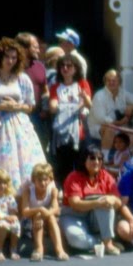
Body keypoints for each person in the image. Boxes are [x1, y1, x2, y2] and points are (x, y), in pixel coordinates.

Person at [0, 38, 47, 190]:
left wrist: (15, 106)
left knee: (26, 163)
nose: (10, 60)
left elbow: (30, 106)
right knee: (0, 165)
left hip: (21, 127)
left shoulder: (23, 78)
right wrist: (0, 106)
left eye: (14, 57)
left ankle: (24, 200)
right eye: (7, 56)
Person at [60, 145, 122, 255]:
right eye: (92, 158)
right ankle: (99, 242)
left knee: (106, 202)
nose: (96, 162)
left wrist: (112, 199)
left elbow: (119, 202)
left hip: (95, 218)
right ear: (84, 160)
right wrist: (96, 203)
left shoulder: (106, 176)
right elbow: (75, 204)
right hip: (74, 215)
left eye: (99, 159)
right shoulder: (74, 177)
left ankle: (108, 243)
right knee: (76, 239)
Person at [47, 53, 92, 186]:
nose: (65, 68)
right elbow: (53, 107)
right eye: (62, 66)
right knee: (63, 163)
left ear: (75, 68)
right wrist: (70, 106)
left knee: (81, 161)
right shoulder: (56, 87)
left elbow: (89, 104)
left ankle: (81, 188)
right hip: (62, 130)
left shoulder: (82, 84)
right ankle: (65, 189)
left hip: (79, 128)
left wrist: (83, 99)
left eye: (69, 66)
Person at [19, 162, 69, 262]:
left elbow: (55, 208)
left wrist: (44, 213)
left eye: (45, 180)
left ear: (50, 179)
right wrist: (40, 210)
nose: (43, 183)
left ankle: (59, 249)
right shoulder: (28, 191)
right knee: (38, 214)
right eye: (39, 180)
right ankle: (39, 248)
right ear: (34, 180)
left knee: (51, 217)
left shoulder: (53, 190)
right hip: (29, 222)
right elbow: (24, 212)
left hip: (47, 219)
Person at [89, 69, 133, 156]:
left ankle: (124, 157)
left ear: (119, 82)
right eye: (108, 80)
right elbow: (101, 119)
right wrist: (120, 123)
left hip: (119, 127)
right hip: (98, 127)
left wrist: (131, 107)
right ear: (105, 82)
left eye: (114, 80)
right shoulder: (99, 96)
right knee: (110, 129)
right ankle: (104, 157)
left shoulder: (123, 93)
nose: (111, 83)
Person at [17, 32, 49, 150]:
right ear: (24, 49)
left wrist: (45, 109)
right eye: (35, 47)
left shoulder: (40, 66)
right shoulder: (12, 67)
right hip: (17, 116)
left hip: (38, 117)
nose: (39, 51)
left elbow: (45, 90)